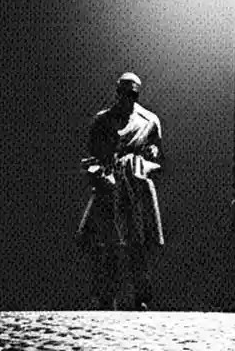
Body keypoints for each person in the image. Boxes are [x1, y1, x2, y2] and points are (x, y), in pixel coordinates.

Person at [76, 71, 164, 310]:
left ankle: (141, 298)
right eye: (124, 93)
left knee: (139, 245)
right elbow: (91, 157)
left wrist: (143, 167)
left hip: (136, 188)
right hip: (109, 185)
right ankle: (106, 298)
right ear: (117, 93)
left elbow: (159, 161)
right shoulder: (102, 121)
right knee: (106, 244)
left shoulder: (149, 121)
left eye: (133, 94)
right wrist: (99, 174)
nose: (128, 99)